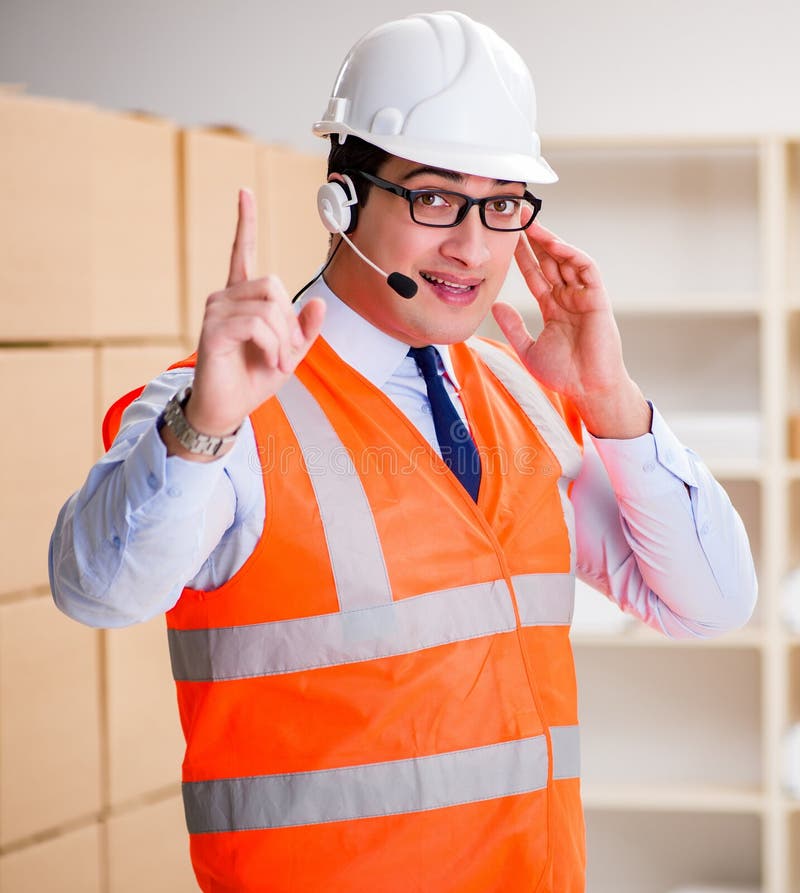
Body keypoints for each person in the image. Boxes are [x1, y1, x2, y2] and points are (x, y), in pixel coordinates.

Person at [50, 11, 757, 892]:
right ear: (341, 197)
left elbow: (711, 602)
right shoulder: (216, 409)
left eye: (501, 204)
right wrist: (203, 427)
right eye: (434, 198)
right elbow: (98, 591)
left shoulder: (528, 399)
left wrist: (612, 400)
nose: (471, 246)